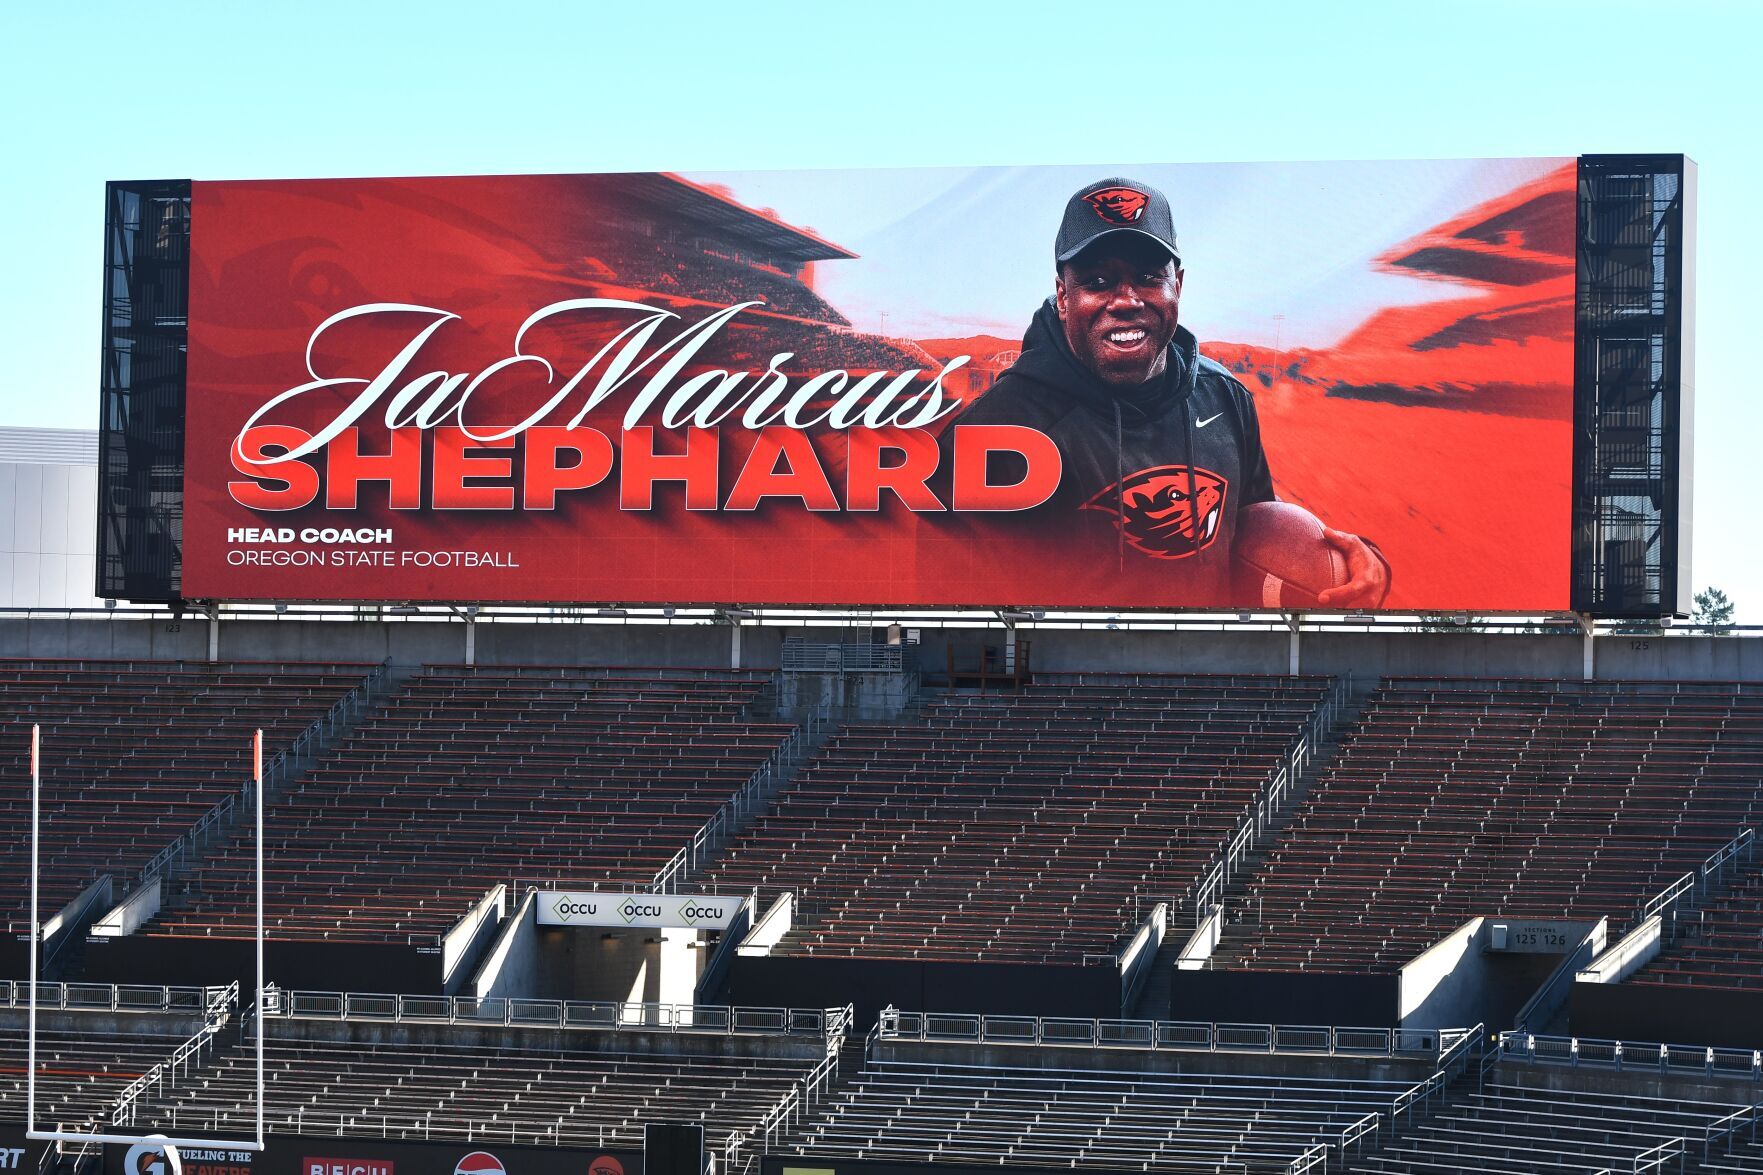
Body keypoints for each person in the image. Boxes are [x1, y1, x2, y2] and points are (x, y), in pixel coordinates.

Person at [948, 176, 1389, 608]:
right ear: (1063, 296)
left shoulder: (1224, 397)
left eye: (1146, 277)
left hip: (1209, 674)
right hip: (1069, 678)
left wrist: (1361, 566)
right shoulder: (997, 427)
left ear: (1177, 285)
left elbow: (1260, 537)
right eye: (1098, 282)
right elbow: (954, 603)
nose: (1125, 300)